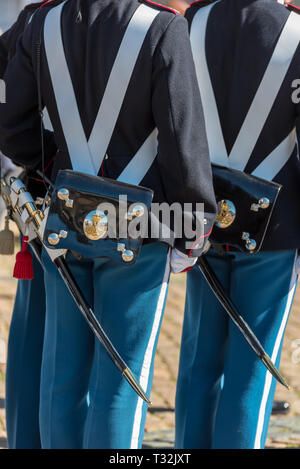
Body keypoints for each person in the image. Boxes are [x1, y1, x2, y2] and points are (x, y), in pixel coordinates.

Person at [0, 0, 217, 449]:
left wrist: (55, 164)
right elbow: (182, 139)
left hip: (65, 219)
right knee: (121, 386)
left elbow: (10, 127)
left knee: (60, 383)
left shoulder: (43, 21)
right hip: (143, 230)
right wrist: (192, 227)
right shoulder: (162, 26)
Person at [175, 0, 300, 449]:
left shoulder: (194, 19)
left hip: (204, 217)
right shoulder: (295, 28)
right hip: (276, 229)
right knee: (252, 370)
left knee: (198, 361)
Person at [0, 1, 54, 449]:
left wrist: (33, 158)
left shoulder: (37, 16)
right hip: (109, 203)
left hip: (42, 186)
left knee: (33, 325)